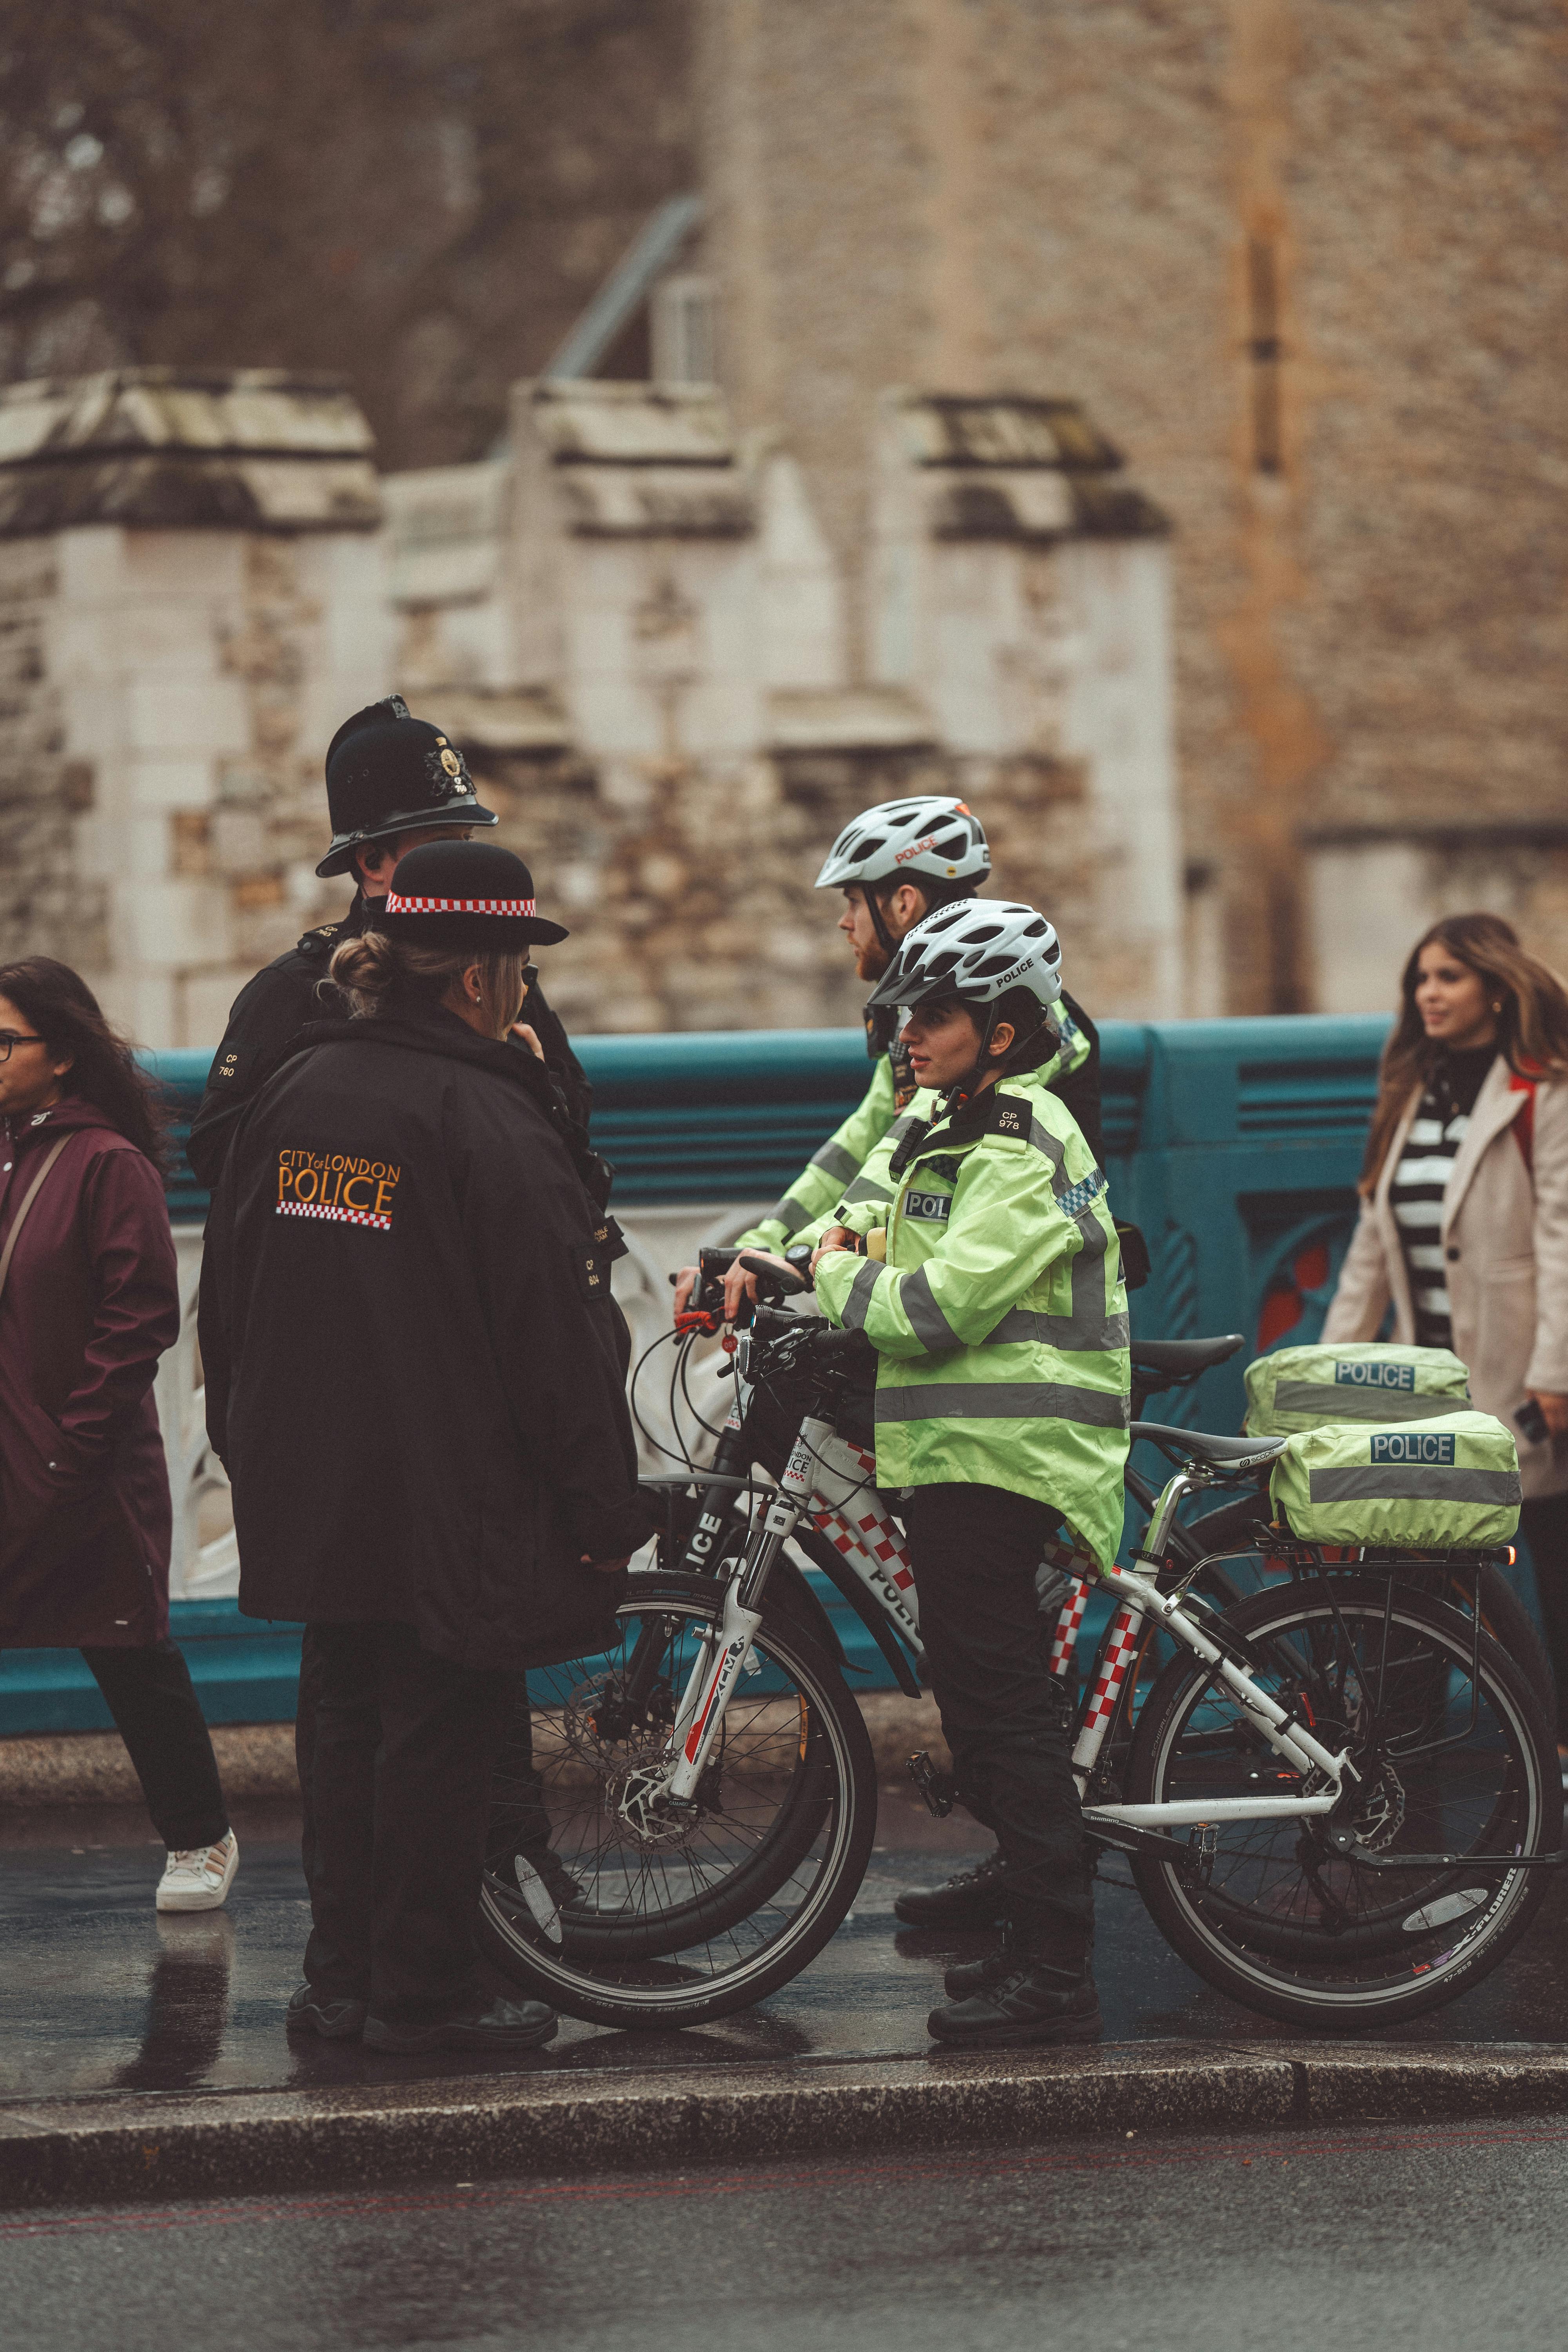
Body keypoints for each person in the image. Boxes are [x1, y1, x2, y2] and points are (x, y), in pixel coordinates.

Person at [198, 842, 653, 2052]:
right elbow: (556, 1335)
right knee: (439, 1735)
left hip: (317, 1478)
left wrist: (252, 1451)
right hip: (453, 1488)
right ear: (476, 978)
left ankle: (339, 1981)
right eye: (516, 966)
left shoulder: (298, 1086)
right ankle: (426, 1995)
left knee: (343, 1728)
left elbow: (226, 1301)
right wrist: (604, 1501)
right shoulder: (484, 1112)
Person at [809, 900, 1130, 2047]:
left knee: (1001, 1717)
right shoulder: (937, 1123)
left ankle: (1057, 1973)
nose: (906, 1031)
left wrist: (835, 1277)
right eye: (904, 1011)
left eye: (933, 1014)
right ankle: (1028, 1934)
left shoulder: (1029, 1142)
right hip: (954, 1459)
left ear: (1001, 1031)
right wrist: (779, 1260)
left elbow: (934, 1307)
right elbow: (857, 1222)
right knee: (986, 1704)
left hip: (1019, 1461)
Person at [673, 793, 1102, 1327]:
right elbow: (858, 1150)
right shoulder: (924, 1031)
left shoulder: (1020, 1010)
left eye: (853, 901)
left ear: (902, 903)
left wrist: (799, 1254)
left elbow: (905, 1145)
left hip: (1019, 1317)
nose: (844, 923)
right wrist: (759, 1245)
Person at [0, 959, 236, 1911]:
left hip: (78, 1457)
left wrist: (72, 1445)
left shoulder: (108, 1165)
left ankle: (200, 1837)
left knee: (126, 1645)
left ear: (61, 1053)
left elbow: (138, 1318)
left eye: (5, 1040)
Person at [1322, 911, 1568, 1770]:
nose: (1427, 992)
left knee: (1545, 1581)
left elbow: (1560, 1237)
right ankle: (1404, 1772)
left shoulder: (1542, 1091)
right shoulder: (1407, 1094)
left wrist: (1554, 1375)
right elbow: (1369, 1251)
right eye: (1418, 979)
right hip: (1423, 1399)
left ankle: (1553, 1762)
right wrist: (1325, 1376)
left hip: (1523, 1390)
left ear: (1496, 990)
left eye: (1447, 977)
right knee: (1405, 1586)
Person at [185, 693, 589, 1192]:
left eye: (465, 841)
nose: (462, 860)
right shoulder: (295, 987)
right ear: (371, 861)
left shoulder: (497, 965)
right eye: (441, 843)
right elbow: (217, 1151)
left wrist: (530, 1083)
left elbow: (573, 1115)